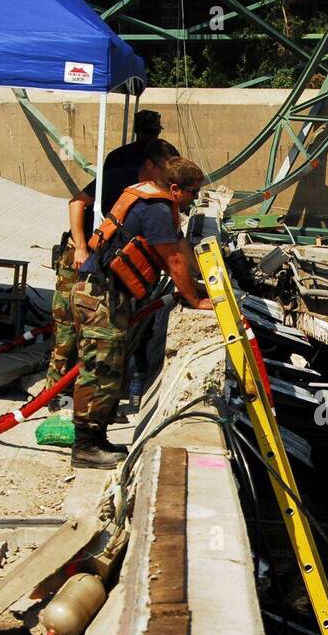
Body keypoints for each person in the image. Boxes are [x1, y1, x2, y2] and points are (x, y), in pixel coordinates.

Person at [68, 156, 210, 469]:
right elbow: (173, 261)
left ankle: (97, 439)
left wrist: (202, 282)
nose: (194, 199)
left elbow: (180, 246)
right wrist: (197, 301)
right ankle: (85, 448)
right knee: (100, 369)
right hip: (101, 296)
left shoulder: (150, 199)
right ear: (175, 189)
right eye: (192, 192)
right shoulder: (157, 209)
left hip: (107, 293)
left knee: (111, 367)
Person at [45, 127, 181, 396]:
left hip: (106, 266)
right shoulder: (120, 177)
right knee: (68, 332)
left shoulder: (150, 191)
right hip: (80, 258)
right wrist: (81, 248)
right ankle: (56, 396)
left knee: (102, 336)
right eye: (165, 170)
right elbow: (76, 203)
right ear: (150, 165)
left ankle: (95, 393)